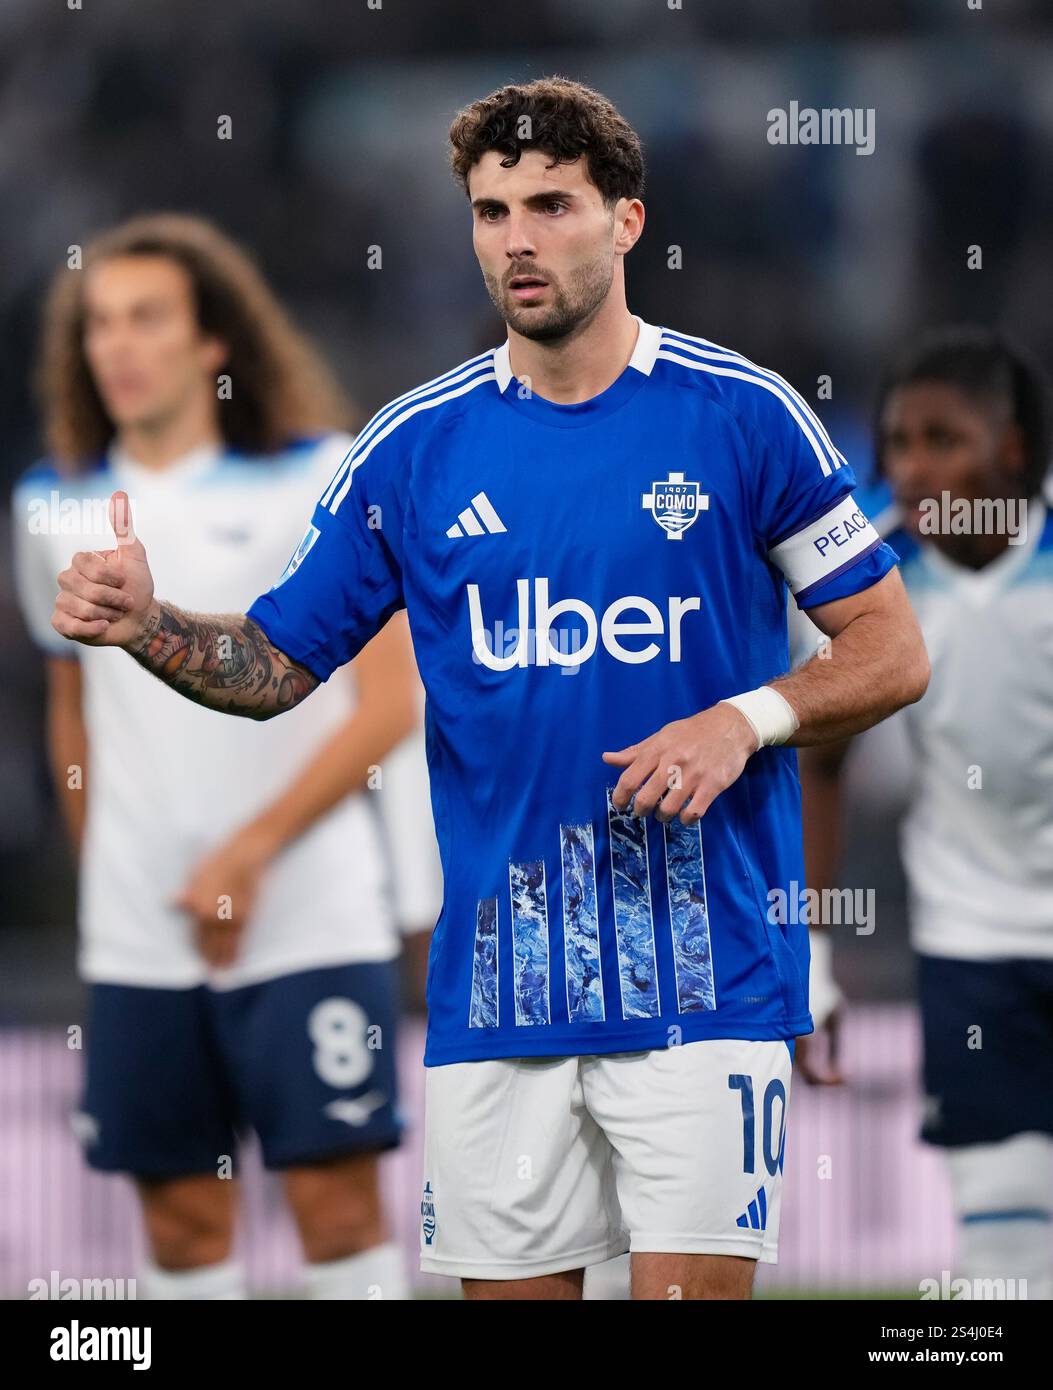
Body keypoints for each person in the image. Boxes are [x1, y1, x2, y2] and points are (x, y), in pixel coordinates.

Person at [49, 80, 930, 1301]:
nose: (516, 238)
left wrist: (747, 718)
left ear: (626, 221)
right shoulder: (414, 449)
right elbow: (274, 666)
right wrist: (149, 625)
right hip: (497, 999)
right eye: (490, 210)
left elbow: (892, 645)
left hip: (708, 981)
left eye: (552, 205)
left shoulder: (743, 414)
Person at [16, 213, 422, 1300]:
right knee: (183, 1228)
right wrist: (116, 868)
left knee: (338, 1212)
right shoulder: (53, 506)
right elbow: (75, 717)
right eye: (99, 323)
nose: (118, 344)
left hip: (308, 912)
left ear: (215, 342)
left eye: (148, 317)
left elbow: (389, 703)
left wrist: (250, 850)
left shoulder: (325, 479)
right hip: (143, 930)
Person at [799, 326, 1053, 1299]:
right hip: (973, 944)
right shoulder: (865, 571)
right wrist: (813, 952)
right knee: (1002, 1265)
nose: (912, 467)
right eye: (899, 443)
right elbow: (820, 762)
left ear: (1014, 449)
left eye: (943, 439)